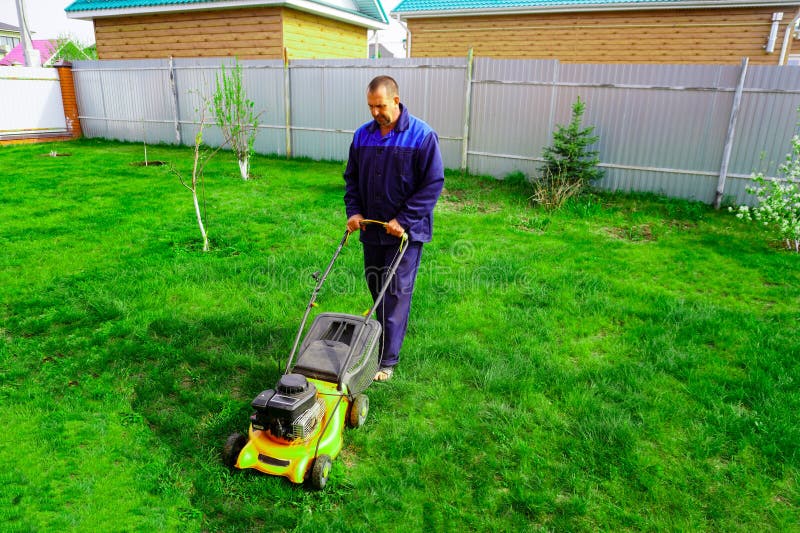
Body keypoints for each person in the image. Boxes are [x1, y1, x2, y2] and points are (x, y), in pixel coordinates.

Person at [344, 75, 444, 382]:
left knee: (395, 292)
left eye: (381, 106)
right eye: (370, 106)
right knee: (377, 288)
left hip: (405, 234)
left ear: (396, 101)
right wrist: (354, 211)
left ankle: (386, 360)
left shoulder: (422, 136)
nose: (375, 112)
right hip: (372, 230)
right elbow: (352, 179)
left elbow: (432, 184)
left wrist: (403, 220)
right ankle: (382, 343)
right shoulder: (362, 136)